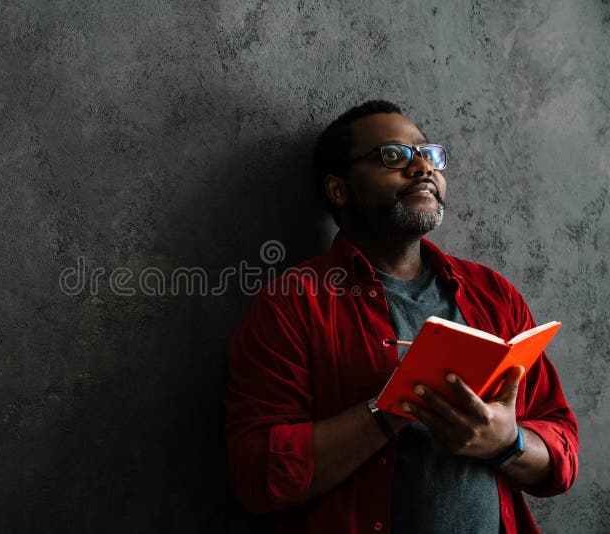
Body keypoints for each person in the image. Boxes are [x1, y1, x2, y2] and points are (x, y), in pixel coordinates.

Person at [224, 100, 579, 533]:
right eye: (394, 156)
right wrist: (392, 407)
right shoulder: (295, 301)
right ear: (339, 189)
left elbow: (562, 447)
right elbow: (259, 474)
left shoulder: (493, 294)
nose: (423, 168)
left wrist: (507, 442)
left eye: (429, 154)